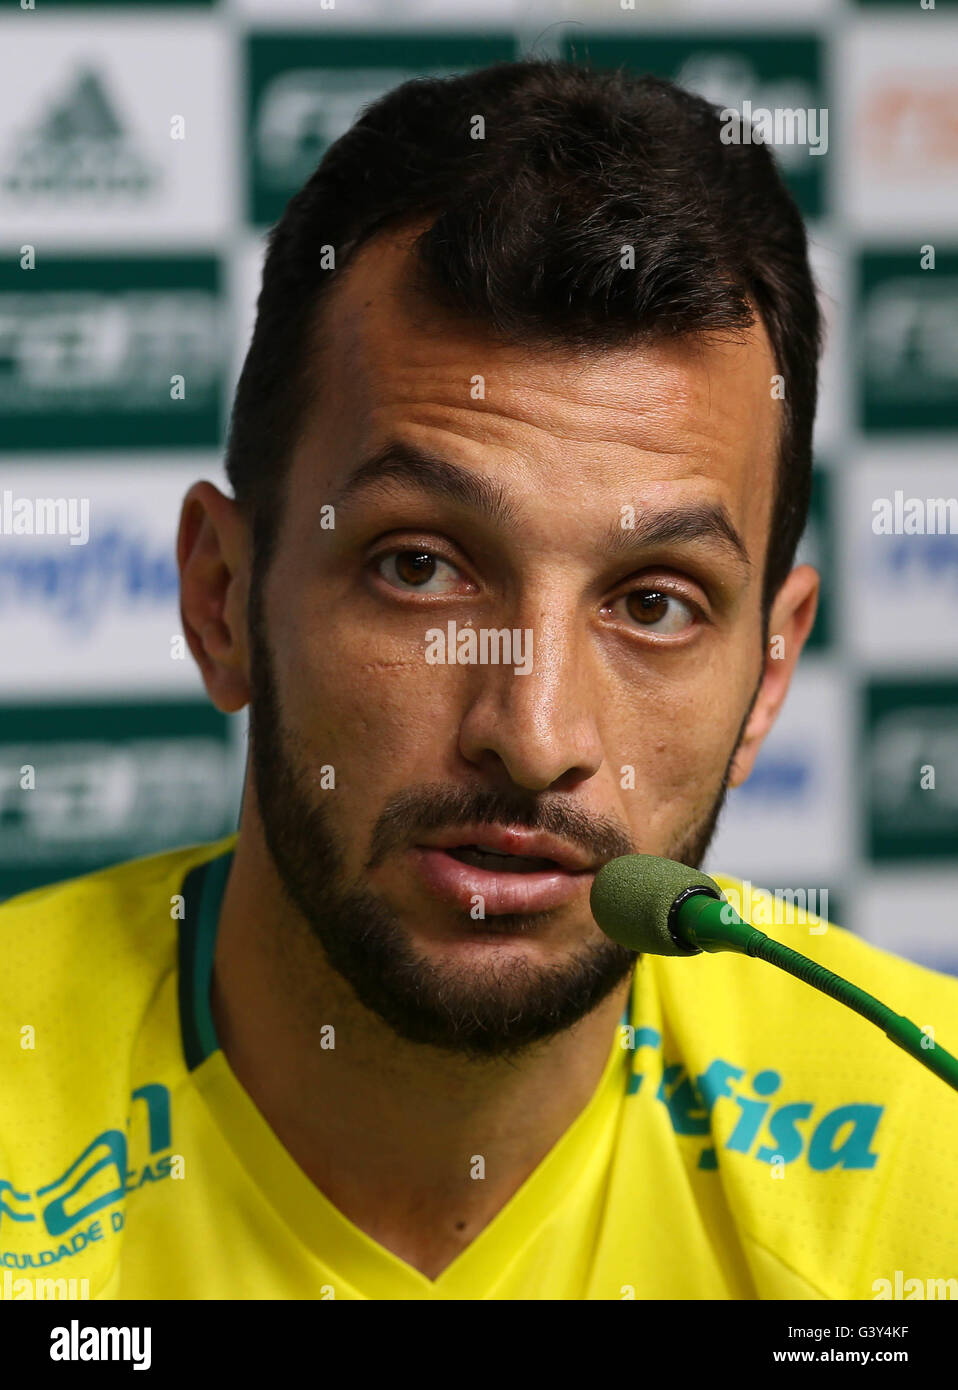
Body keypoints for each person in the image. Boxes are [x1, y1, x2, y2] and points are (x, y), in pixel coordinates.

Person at [2, 60, 955, 1301]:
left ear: (768, 671)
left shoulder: (922, 1155)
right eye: (421, 566)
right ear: (223, 599)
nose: (535, 730)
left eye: (653, 602)